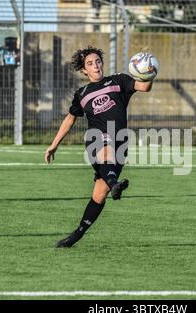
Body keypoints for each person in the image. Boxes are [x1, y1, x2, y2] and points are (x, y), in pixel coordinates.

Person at [45, 46, 154, 248]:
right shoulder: (82, 94)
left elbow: (144, 87)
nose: (95, 66)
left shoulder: (119, 81)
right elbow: (69, 120)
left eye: (97, 61)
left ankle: (77, 234)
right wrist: (54, 145)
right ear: (84, 70)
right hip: (96, 139)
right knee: (105, 148)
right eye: (90, 64)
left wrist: (150, 72)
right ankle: (115, 184)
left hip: (120, 141)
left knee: (99, 195)